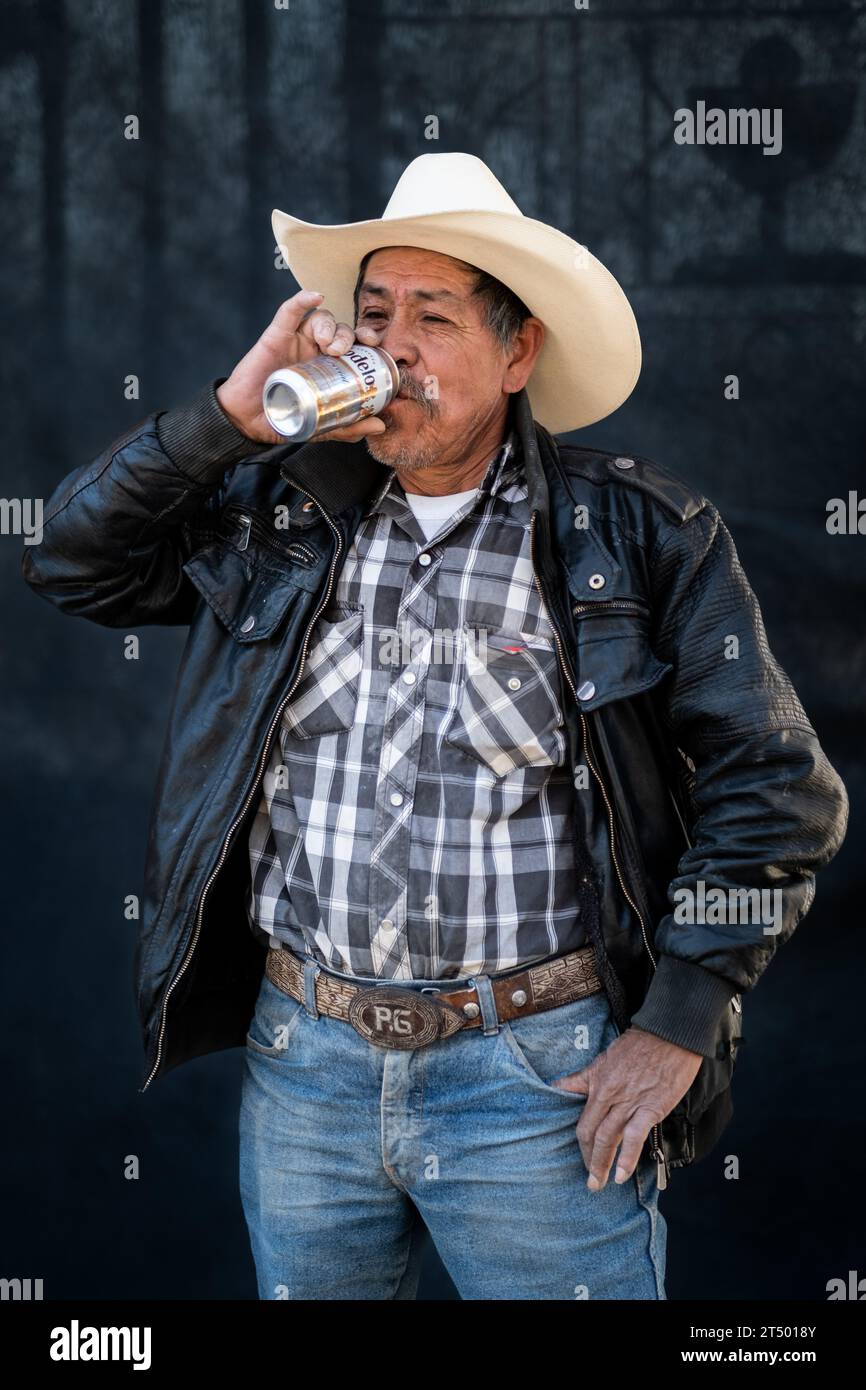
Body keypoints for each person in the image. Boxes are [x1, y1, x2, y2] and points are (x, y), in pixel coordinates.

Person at [22, 153, 848, 1300]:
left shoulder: (642, 535)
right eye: (372, 315)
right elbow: (68, 559)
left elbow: (778, 790)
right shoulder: (279, 513)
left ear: (517, 355)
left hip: (536, 1082)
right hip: (303, 1071)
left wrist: (680, 1020)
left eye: (431, 315)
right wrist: (230, 412)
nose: (390, 346)